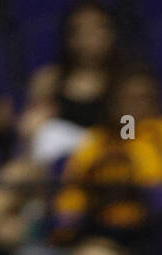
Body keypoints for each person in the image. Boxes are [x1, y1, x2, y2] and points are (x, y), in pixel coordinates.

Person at [53, 62, 162, 238]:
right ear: (113, 100)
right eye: (127, 98)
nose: (135, 105)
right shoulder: (102, 135)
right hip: (101, 224)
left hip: (156, 224)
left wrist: (132, 161)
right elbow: (73, 191)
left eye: (143, 97)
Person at [21, 0, 124, 168]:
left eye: (98, 28)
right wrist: (33, 124)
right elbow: (28, 130)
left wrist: (124, 126)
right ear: (69, 37)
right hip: (58, 165)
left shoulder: (124, 81)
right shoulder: (49, 79)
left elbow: (134, 130)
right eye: (81, 31)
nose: (90, 37)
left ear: (111, 34)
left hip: (110, 161)